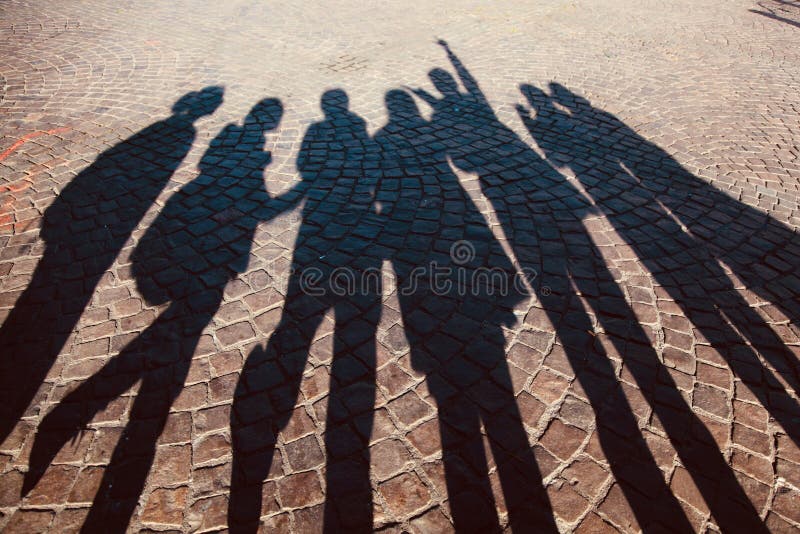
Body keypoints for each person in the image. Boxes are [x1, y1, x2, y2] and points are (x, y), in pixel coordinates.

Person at [419, 40, 766, 531]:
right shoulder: (483, 120)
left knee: (578, 311)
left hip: (519, 210)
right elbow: (477, 110)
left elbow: (466, 127)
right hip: (547, 207)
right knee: (599, 299)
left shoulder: (458, 123)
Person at [24, 98, 283, 533]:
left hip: (194, 269)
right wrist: (297, 194)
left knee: (162, 351)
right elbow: (253, 208)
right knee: (168, 356)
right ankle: (86, 423)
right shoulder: (236, 164)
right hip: (205, 276)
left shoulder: (211, 165)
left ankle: (77, 417)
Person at [373, 88, 558, 531]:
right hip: (459, 259)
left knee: (457, 401)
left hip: (423, 273)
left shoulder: (382, 142)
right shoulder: (424, 142)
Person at [0, 87, 224, 443]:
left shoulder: (174, 133)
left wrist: (60, 221)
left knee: (37, 304)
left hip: (79, 243)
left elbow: (97, 172)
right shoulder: (182, 136)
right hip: (96, 244)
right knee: (48, 310)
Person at [229, 89, 383, 532]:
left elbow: (305, 170)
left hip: (317, 227)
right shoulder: (360, 134)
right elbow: (371, 170)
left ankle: (274, 410)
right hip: (353, 226)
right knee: (356, 328)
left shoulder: (319, 132)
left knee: (299, 321)